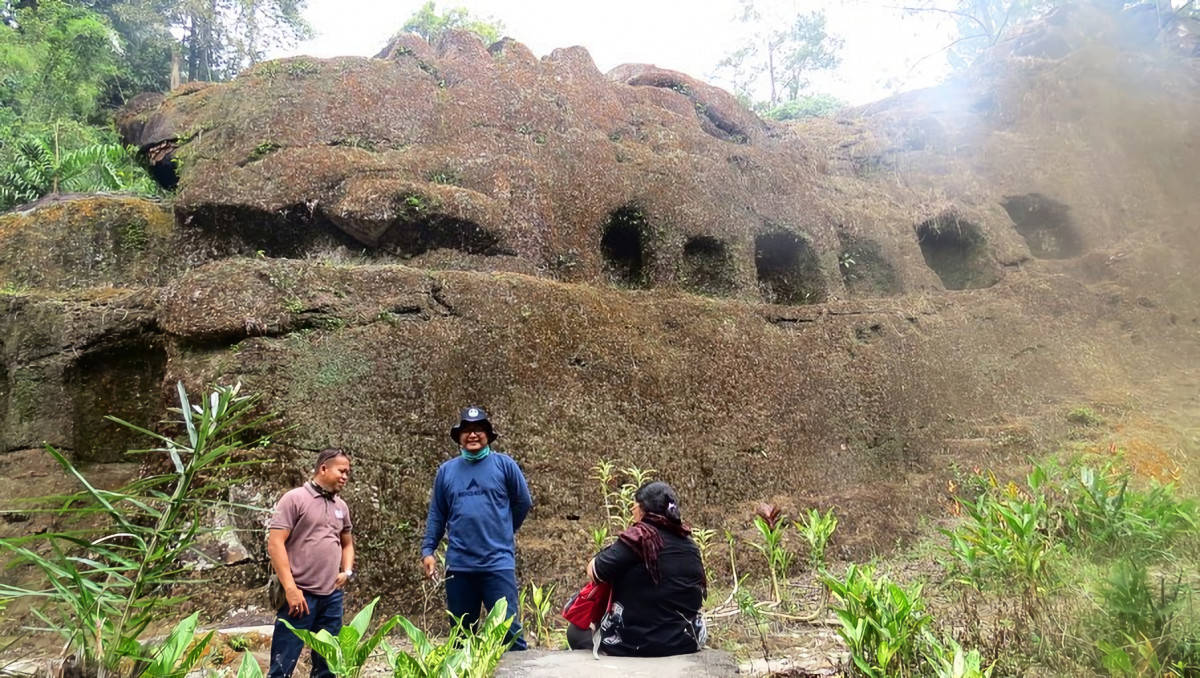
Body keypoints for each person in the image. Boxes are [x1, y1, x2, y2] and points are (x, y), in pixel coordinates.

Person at [421, 405, 533, 650]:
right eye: (467, 430)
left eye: (478, 430)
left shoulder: (505, 465)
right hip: (459, 566)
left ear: (488, 435)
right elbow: (437, 514)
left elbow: (523, 502)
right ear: (458, 437)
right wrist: (428, 550)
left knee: (509, 635)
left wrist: (504, 529)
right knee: (461, 638)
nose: (472, 435)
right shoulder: (446, 471)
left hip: (497, 564)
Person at [569, 481, 707, 657]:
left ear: (642, 509)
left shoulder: (639, 538)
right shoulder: (689, 544)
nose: (632, 514)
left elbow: (594, 571)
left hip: (637, 644)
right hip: (683, 641)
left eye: (633, 508)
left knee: (576, 632)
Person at [267, 449, 355, 678]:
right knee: (283, 664)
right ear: (323, 468)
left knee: (327, 667)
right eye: (342, 471)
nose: (345, 476)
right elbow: (275, 544)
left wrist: (347, 571)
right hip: (300, 595)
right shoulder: (295, 499)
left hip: (331, 596)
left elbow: (347, 543)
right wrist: (290, 589)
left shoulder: (341, 507)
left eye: (348, 472)